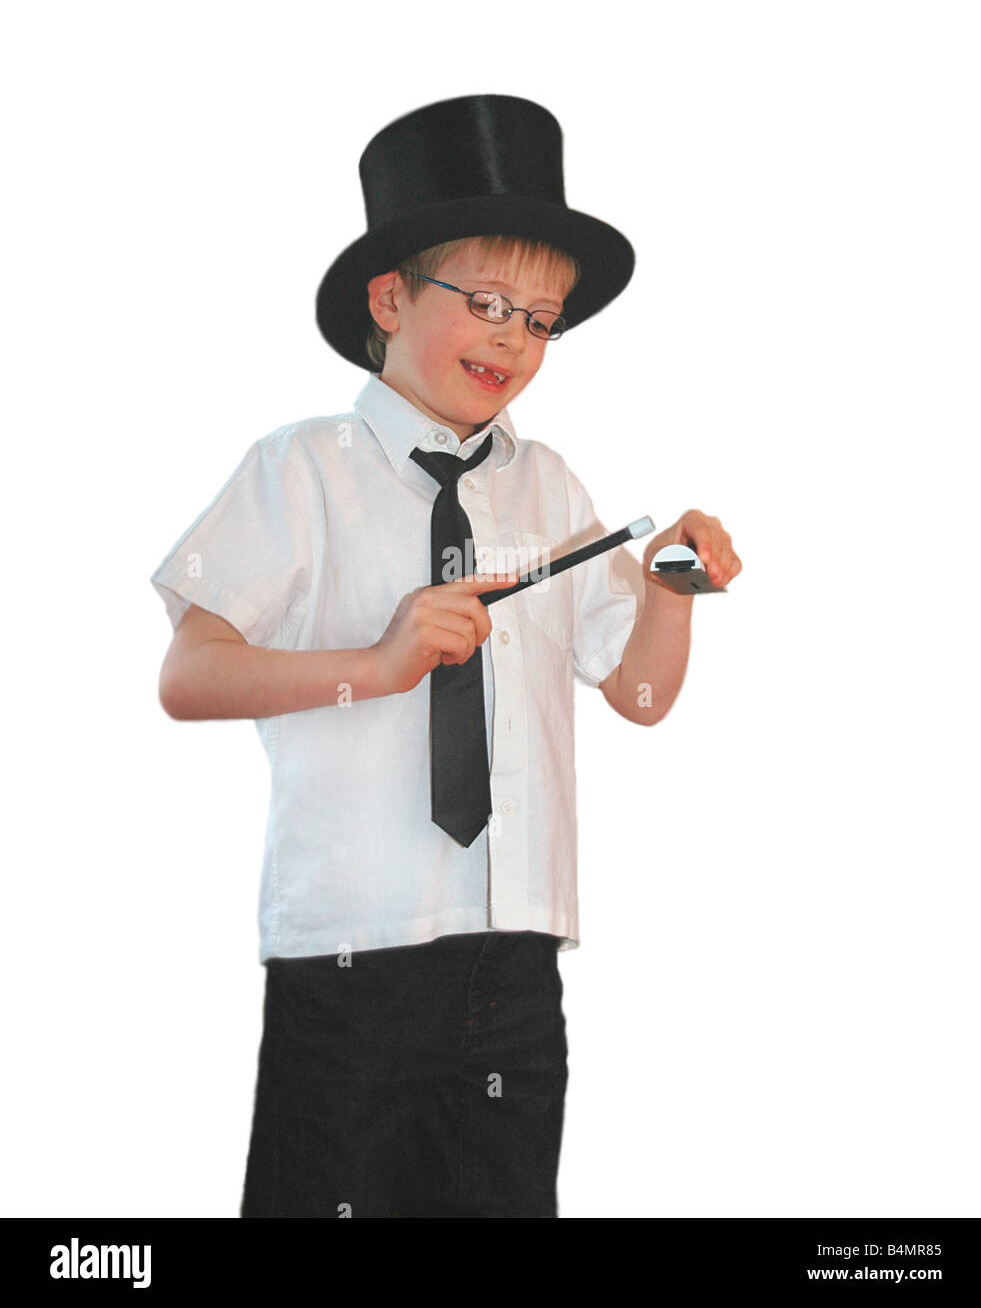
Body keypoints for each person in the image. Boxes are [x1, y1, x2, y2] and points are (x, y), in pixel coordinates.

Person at [149, 94, 742, 1218]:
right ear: (388, 298)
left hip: (514, 966)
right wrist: (371, 664)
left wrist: (674, 591)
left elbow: (640, 692)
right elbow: (188, 675)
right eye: (484, 304)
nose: (514, 341)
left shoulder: (551, 486)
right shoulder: (298, 471)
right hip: (350, 958)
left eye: (541, 320)